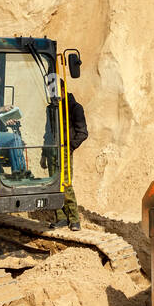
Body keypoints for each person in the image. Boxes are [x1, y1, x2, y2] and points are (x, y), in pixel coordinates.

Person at [52, 90, 87, 230]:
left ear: (62, 89)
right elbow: (47, 131)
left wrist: (70, 147)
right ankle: (61, 217)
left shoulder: (75, 108)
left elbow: (83, 133)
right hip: (52, 149)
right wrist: (44, 154)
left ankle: (74, 219)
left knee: (65, 183)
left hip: (64, 149)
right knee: (54, 184)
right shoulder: (52, 107)